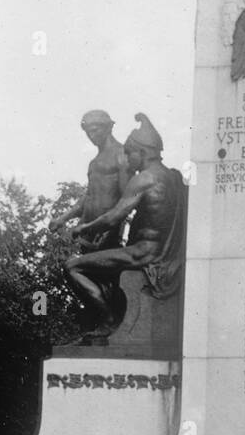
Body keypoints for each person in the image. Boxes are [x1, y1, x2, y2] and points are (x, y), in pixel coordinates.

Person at [64, 113, 186, 344]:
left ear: (143, 153)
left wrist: (84, 228)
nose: (128, 159)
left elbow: (114, 217)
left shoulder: (145, 179)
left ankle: (108, 321)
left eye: (131, 153)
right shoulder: (171, 177)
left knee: (72, 267)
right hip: (159, 251)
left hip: (142, 252)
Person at [49, 109, 129, 252]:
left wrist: (111, 230)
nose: (91, 136)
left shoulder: (121, 154)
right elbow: (89, 197)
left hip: (106, 231)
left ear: (109, 127)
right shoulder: (94, 162)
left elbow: (126, 199)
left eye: (95, 130)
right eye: (88, 132)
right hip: (86, 230)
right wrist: (62, 218)